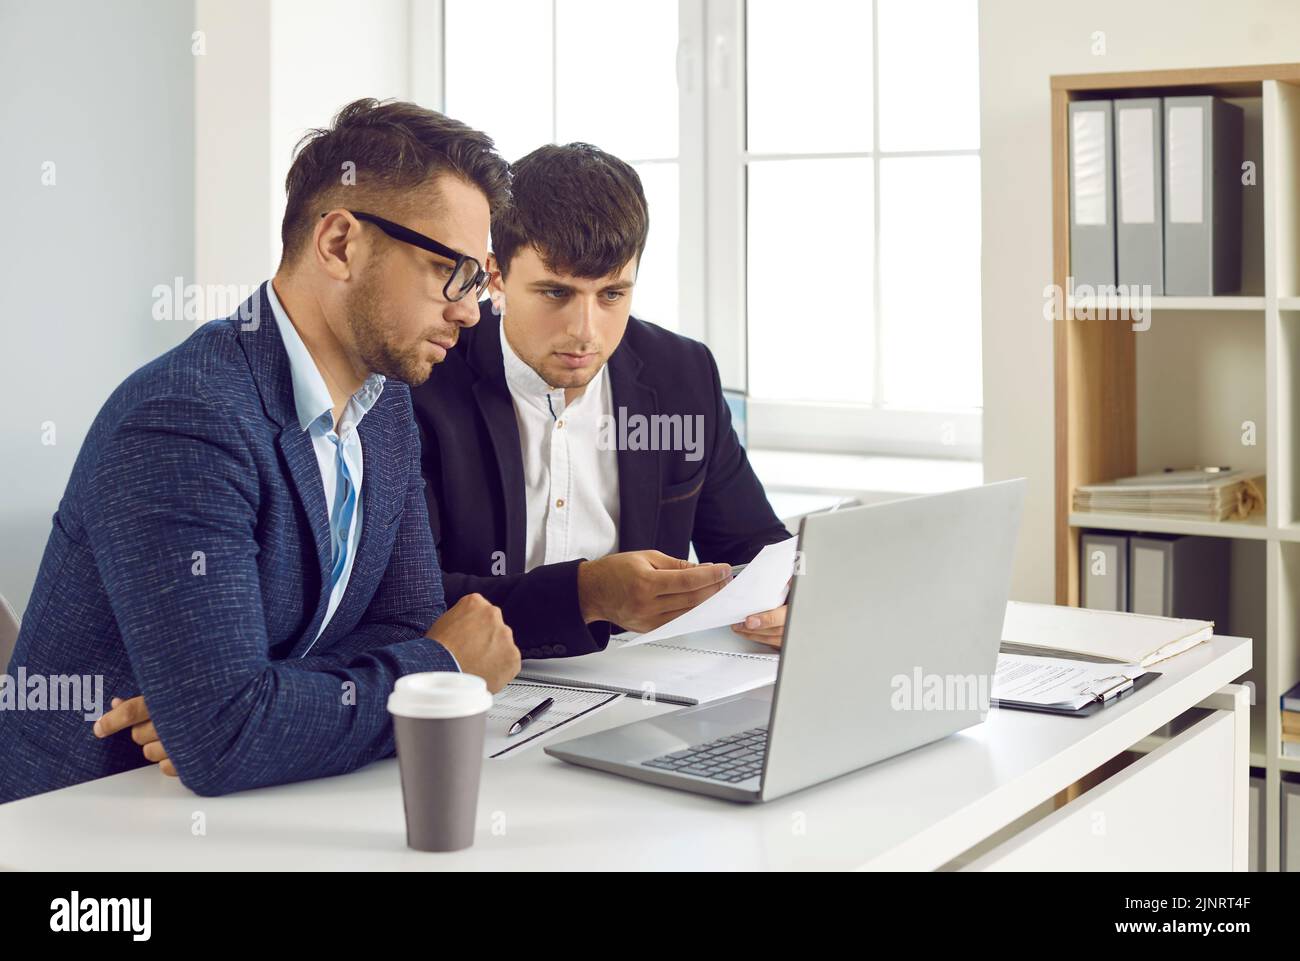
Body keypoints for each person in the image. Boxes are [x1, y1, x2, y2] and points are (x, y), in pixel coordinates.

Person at [0, 99, 520, 803]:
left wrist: (265, 700)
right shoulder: (184, 419)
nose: (468, 309)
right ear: (339, 243)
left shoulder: (385, 403)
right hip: (87, 823)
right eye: (448, 270)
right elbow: (225, 737)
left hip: (268, 801)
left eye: (477, 279)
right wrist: (446, 667)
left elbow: (400, 622)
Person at [412, 143, 791, 661]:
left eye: (612, 295)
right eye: (555, 293)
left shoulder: (682, 374)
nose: (585, 332)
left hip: (653, 682)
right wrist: (584, 595)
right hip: (481, 689)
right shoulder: (423, 380)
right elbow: (412, 598)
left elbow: (754, 551)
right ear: (495, 276)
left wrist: (785, 602)